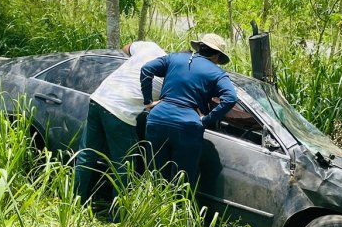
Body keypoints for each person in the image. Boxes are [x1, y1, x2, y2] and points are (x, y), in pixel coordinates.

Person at [139, 33, 238, 188]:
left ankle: (153, 202)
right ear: (217, 55)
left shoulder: (174, 58)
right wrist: (206, 119)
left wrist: (148, 102)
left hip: (158, 119)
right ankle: (175, 204)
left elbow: (146, 69)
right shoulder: (217, 73)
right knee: (182, 181)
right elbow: (231, 98)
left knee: (155, 175)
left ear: (199, 48)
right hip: (187, 126)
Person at [74, 40, 167, 203]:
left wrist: (134, 65)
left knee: (86, 154)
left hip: (99, 98)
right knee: (124, 165)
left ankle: (74, 202)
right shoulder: (173, 74)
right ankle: (118, 213)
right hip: (120, 111)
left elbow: (125, 48)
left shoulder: (150, 47)